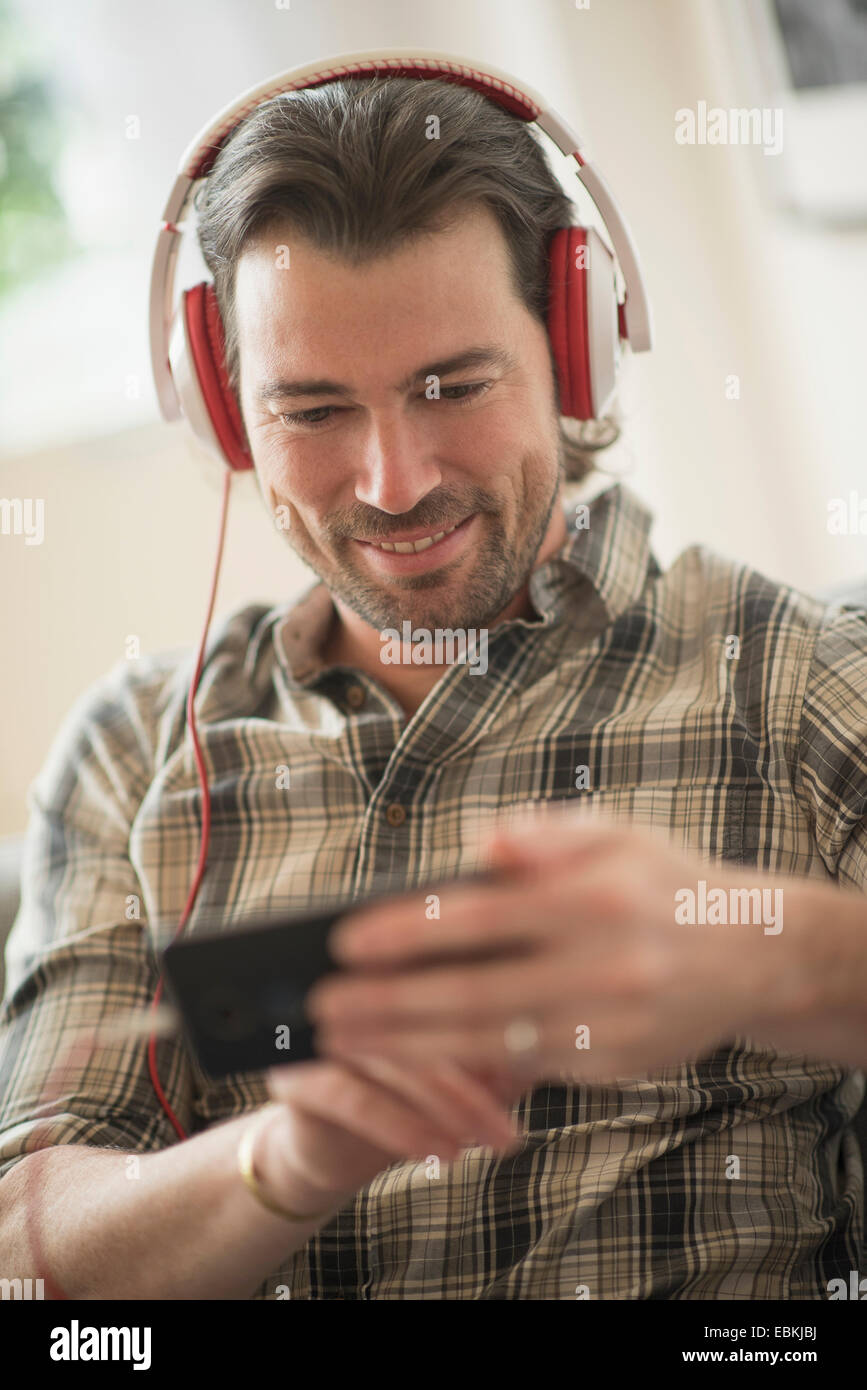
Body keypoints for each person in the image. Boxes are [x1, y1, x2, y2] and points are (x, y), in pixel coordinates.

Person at [0, 74, 865, 1301]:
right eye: (311, 409)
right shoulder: (134, 751)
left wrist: (770, 954)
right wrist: (284, 1161)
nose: (393, 481)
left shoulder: (796, 680)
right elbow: (24, 1267)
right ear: (225, 411)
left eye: (453, 387)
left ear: (579, 347)